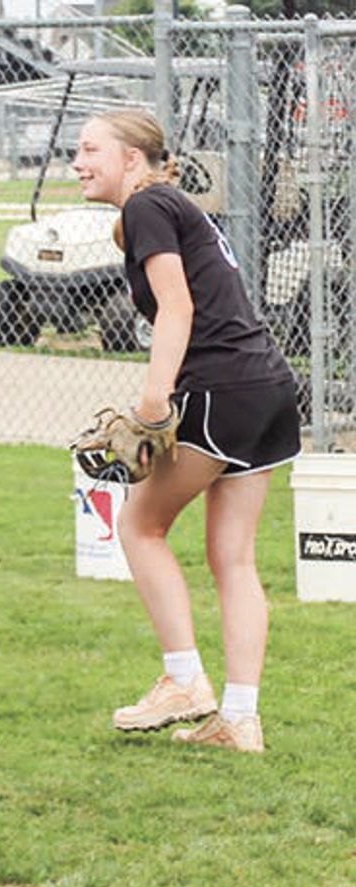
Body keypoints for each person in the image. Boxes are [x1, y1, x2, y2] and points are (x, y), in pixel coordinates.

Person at [76, 110, 300, 753]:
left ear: (133, 159)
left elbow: (178, 306)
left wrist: (151, 404)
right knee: (232, 559)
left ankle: (183, 681)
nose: (78, 162)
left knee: (140, 527)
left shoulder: (148, 205)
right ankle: (240, 719)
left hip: (220, 387)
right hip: (267, 386)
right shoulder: (165, 206)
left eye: (92, 149)